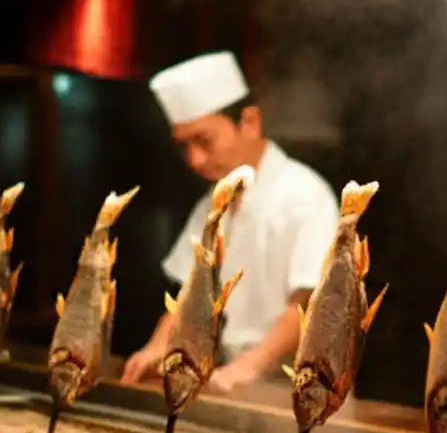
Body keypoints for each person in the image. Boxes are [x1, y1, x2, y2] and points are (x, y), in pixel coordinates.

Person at [120, 50, 339, 393]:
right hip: (236, 380)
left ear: (249, 122)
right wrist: (159, 345)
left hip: (302, 385)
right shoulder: (212, 204)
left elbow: (307, 305)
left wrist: (247, 366)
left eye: (204, 141)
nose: (194, 160)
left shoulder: (307, 196)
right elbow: (188, 297)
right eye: (184, 146)